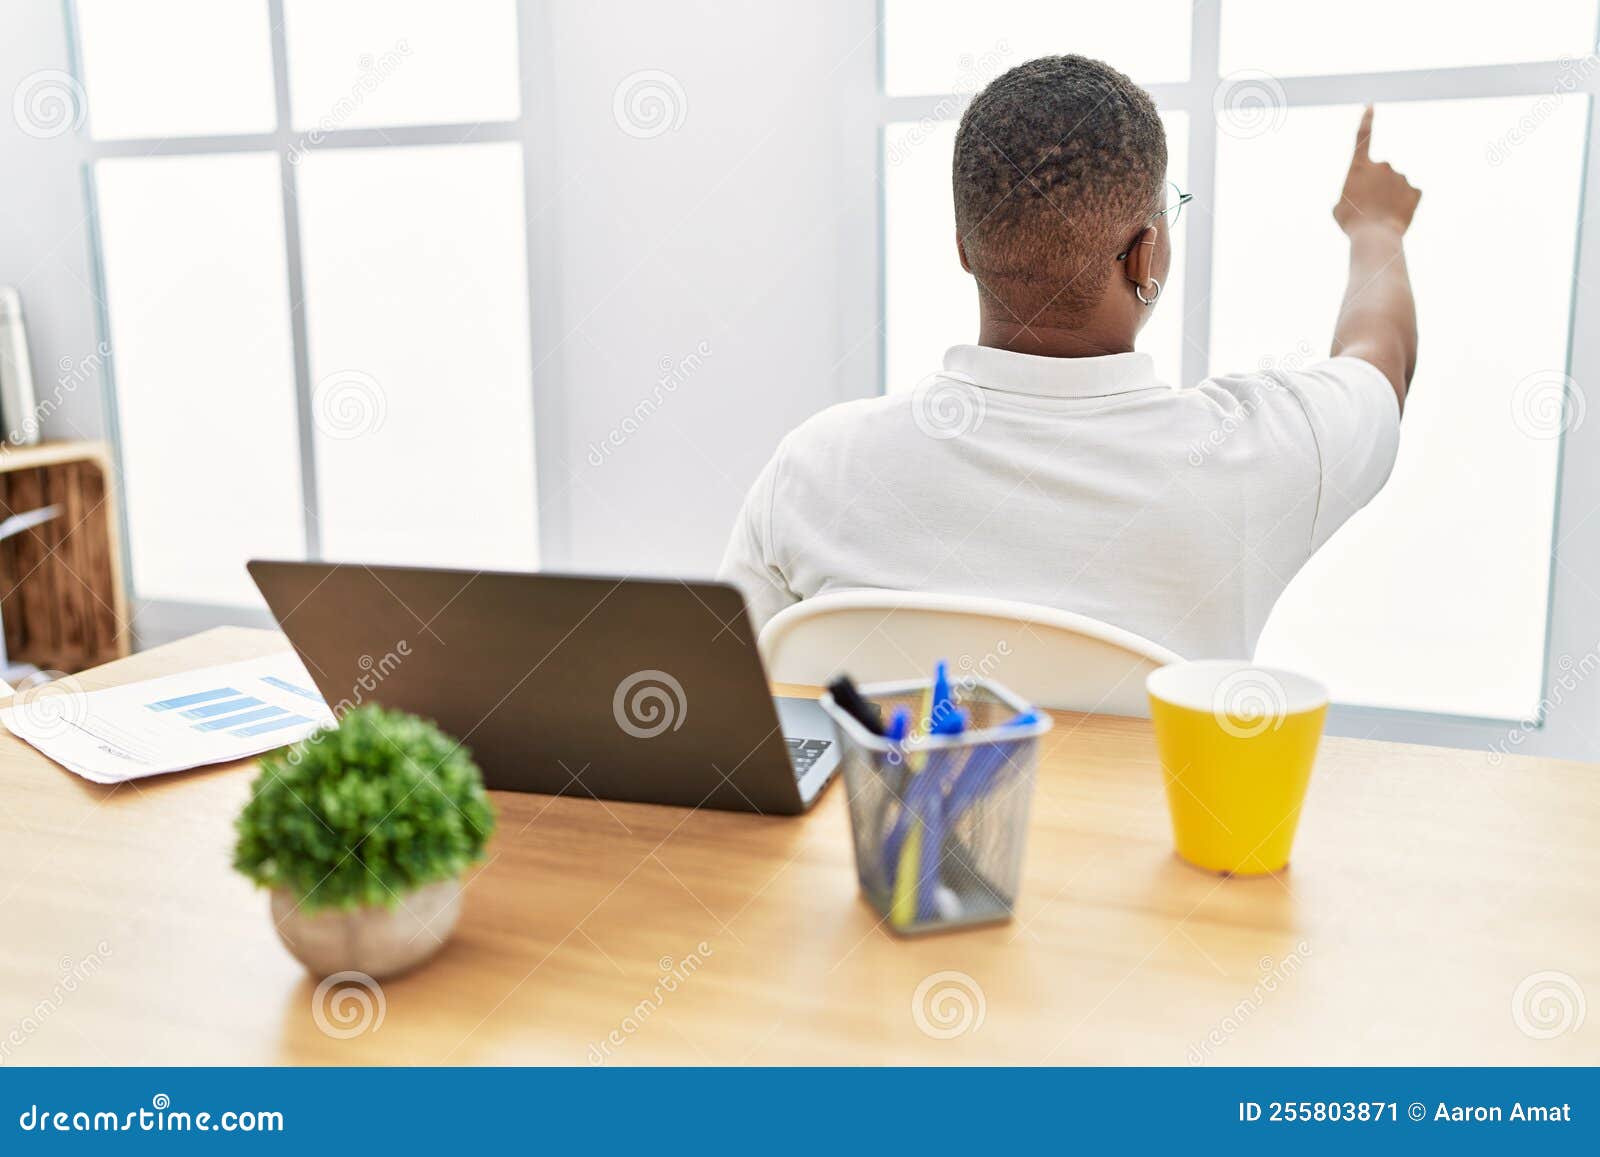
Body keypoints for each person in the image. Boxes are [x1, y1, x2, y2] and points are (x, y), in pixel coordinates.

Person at [719, 55, 1420, 659]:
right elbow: (1379, 359)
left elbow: (735, 698)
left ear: (963, 246)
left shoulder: (813, 469)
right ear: (1146, 255)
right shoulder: (1262, 450)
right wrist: (1376, 227)